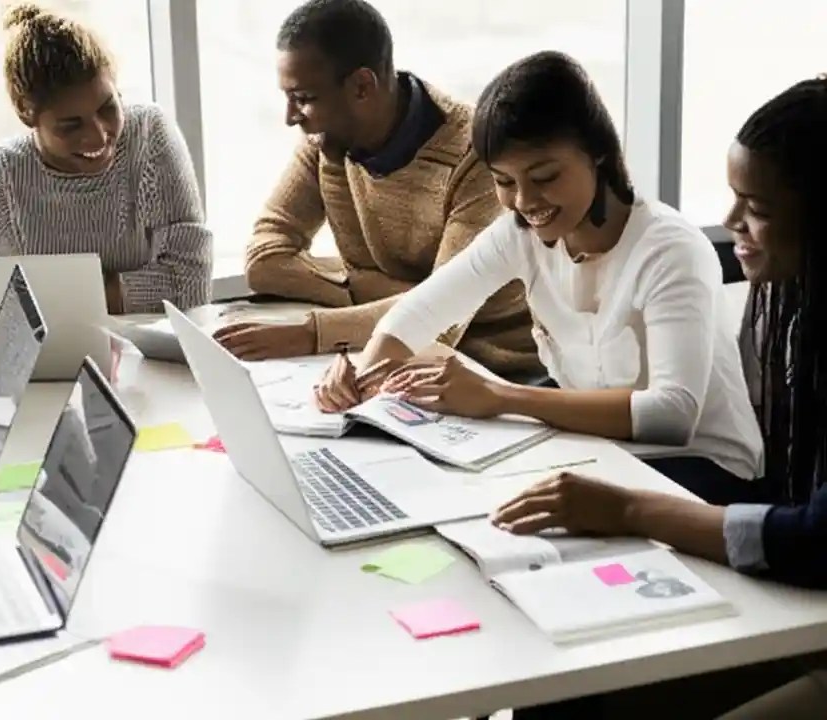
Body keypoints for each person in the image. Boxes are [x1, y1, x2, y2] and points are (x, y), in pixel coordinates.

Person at [494, 75, 827, 720]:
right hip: (806, 606)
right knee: (565, 684)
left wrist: (632, 511)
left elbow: (816, 537)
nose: (731, 225)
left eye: (755, 206)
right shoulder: (793, 307)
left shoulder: (670, 249)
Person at [315, 51, 762, 502]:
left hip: (706, 470)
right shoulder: (520, 233)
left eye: (544, 176)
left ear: (598, 152)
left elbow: (672, 414)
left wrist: (502, 396)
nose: (525, 200)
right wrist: (362, 383)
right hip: (605, 453)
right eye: (504, 182)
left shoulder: (669, 249)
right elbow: (422, 310)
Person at [212, 0, 539, 377]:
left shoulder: (474, 154)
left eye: (303, 99)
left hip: (498, 370)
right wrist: (386, 290)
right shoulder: (328, 141)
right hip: (396, 355)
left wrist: (312, 333)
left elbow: (441, 320)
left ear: (362, 87)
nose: (290, 118)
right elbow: (264, 260)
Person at [0, 2, 212, 315]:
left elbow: (191, 283)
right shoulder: (1, 180)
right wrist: (115, 292)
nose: (98, 136)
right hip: (57, 360)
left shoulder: (148, 136)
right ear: (26, 113)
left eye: (107, 108)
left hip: (152, 356)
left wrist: (51, 301)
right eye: (71, 124)